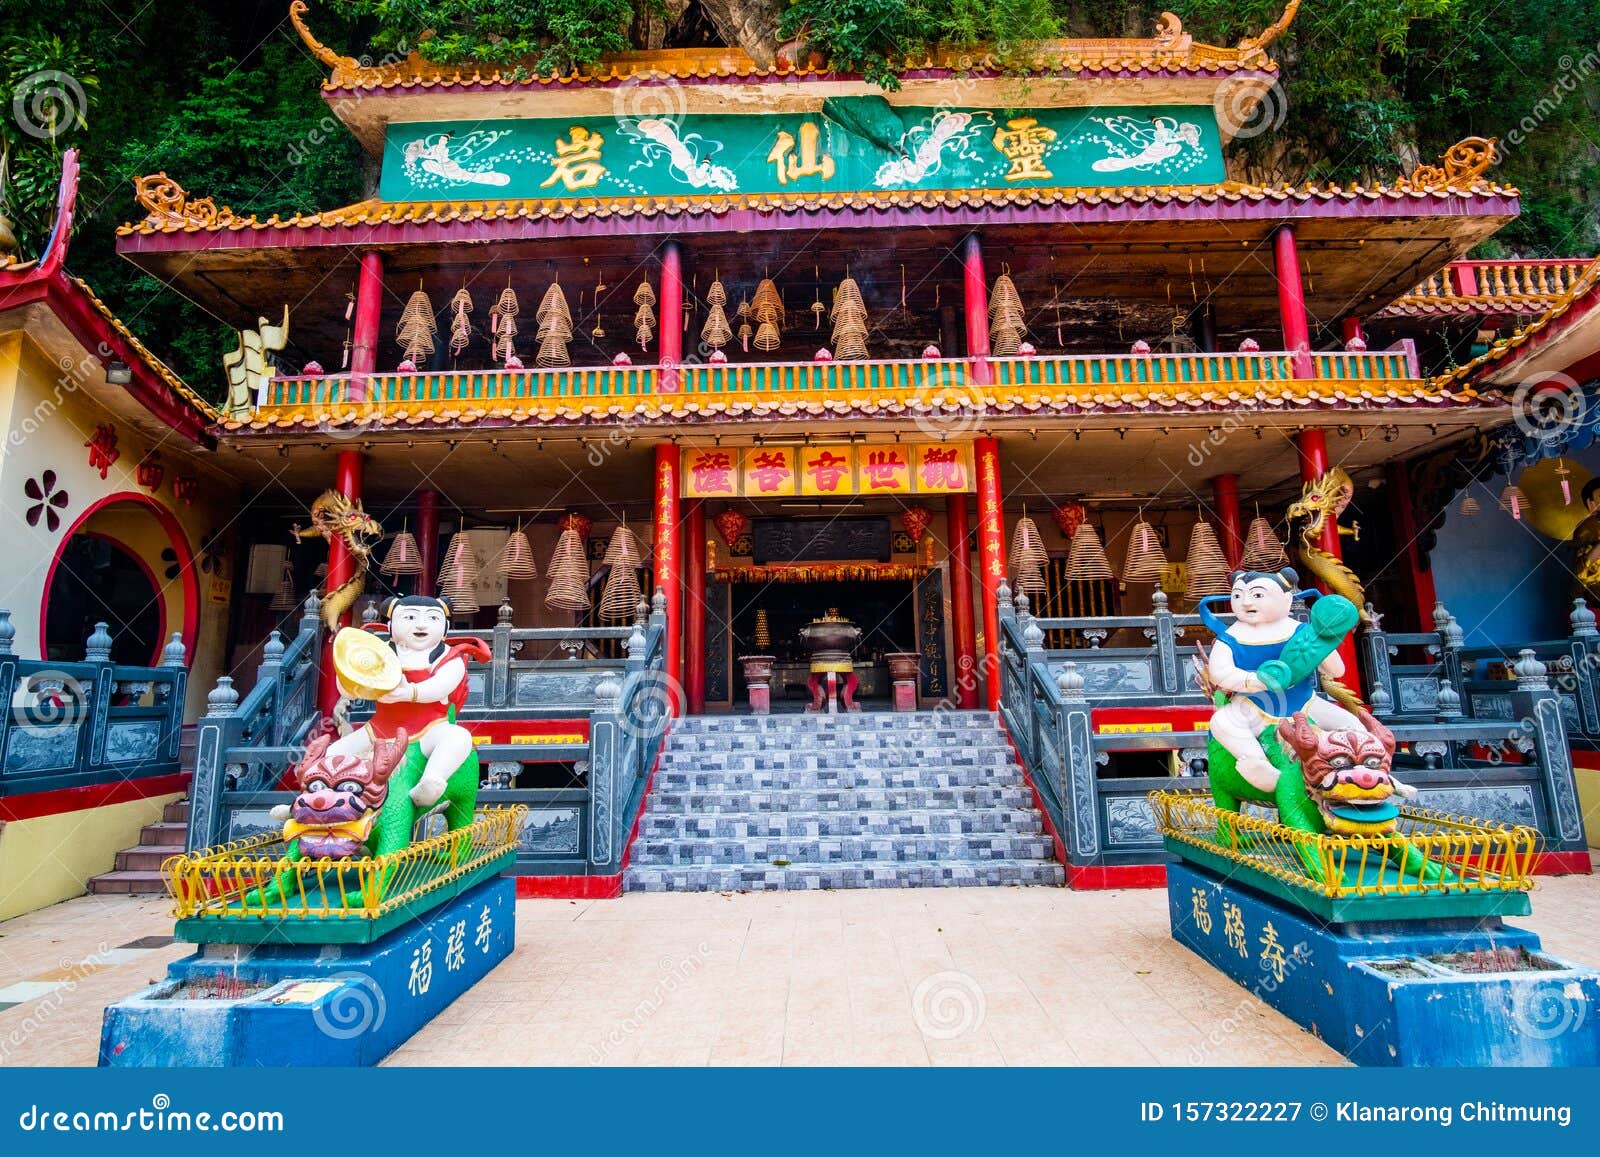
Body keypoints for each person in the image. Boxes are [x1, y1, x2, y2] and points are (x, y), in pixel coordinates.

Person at [1200, 568, 1364, 794]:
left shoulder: (1301, 631)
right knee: (1222, 722)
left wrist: (1327, 640)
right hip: (1253, 706)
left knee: (1353, 725)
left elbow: (1337, 670)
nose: (1246, 603)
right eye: (1238, 596)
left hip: (1305, 704)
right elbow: (1220, 673)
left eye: (1257, 595)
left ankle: (1365, 766)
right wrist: (1254, 680)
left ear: (1286, 598)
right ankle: (1260, 767)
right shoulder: (1231, 637)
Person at [324, 594, 486, 808]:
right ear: (391, 626)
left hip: (429, 728)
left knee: (459, 738)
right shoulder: (379, 653)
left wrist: (411, 692)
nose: (421, 624)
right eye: (409, 618)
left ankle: (431, 782)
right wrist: (348, 682)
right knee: (334, 752)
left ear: (445, 627)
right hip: (379, 729)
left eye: (432, 619)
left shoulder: (448, 656)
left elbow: (442, 685)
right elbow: (353, 686)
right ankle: (314, 797)